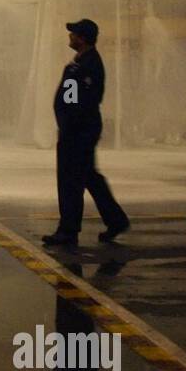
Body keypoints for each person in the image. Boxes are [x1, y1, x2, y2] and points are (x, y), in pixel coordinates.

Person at [42, 19, 129, 247]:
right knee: (89, 176)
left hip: (77, 130)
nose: (69, 37)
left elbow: (77, 100)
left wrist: (68, 125)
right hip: (79, 128)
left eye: (73, 34)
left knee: (71, 180)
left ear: (82, 38)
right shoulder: (82, 63)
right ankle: (116, 220)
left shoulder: (85, 65)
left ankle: (68, 230)